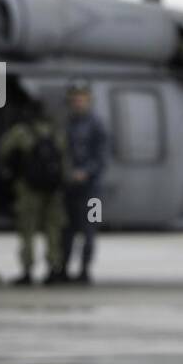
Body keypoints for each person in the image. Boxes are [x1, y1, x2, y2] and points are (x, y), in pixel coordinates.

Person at [0, 96, 68, 285]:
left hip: (28, 189)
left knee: (27, 230)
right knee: (53, 230)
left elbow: (2, 151)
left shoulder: (21, 132)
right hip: (53, 190)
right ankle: (54, 269)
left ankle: (27, 271)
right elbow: (65, 161)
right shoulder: (57, 133)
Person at [61, 83, 109, 284]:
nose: (78, 101)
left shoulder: (98, 125)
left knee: (90, 230)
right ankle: (62, 268)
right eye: (75, 98)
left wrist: (86, 172)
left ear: (88, 100)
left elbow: (103, 158)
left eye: (81, 97)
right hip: (70, 190)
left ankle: (85, 270)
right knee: (66, 231)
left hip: (92, 191)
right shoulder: (68, 124)